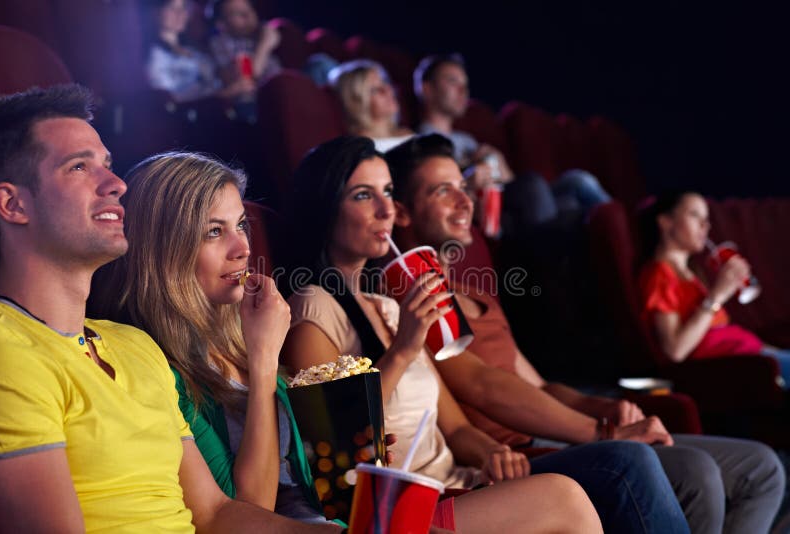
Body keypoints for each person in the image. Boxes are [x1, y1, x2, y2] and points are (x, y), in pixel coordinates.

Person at [385, 134, 787, 534]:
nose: (464, 200)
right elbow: (483, 385)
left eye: (461, 185)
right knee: (692, 470)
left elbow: (539, 386)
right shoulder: (408, 302)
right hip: (516, 454)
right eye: (442, 190)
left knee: (762, 468)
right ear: (401, 212)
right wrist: (604, 433)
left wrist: (602, 408)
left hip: (553, 432)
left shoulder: (476, 293)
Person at [277, 135, 674, 534]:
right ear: (326, 209)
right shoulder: (310, 309)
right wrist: (402, 351)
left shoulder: (389, 308)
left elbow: (456, 428)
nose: (386, 210)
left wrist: (493, 453)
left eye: (388, 192)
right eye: (364, 196)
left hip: (455, 482)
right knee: (566, 495)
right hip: (397, 508)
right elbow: (340, 450)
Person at [0, 84, 341, 533]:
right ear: (13, 204)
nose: (116, 185)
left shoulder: (133, 345)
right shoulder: (7, 353)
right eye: (79, 166)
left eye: (108, 166)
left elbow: (216, 515)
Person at [89, 152, 339, 524]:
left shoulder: (238, 334)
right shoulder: (156, 367)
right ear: (165, 251)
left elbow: (295, 475)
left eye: (240, 225)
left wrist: (354, 458)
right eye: (214, 232)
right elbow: (249, 509)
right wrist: (264, 359)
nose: (243, 249)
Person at [414, 53, 610, 226]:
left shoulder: (466, 139)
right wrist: (470, 173)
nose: (463, 91)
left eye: (465, 84)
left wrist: (497, 160)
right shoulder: (422, 140)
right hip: (499, 210)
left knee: (577, 182)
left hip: (517, 199)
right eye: (452, 81)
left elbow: (510, 181)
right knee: (537, 188)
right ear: (427, 89)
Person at [637, 190, 790, 387]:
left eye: (706, 218)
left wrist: (775, 352)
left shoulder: (690, 273)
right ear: (666, 222)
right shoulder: (660, 275)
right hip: (744, 368)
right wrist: (718, 295)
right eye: (694, 215)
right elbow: (675, 350)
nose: (705, 225)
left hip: (759, 356)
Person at [144, 0, 256, 105]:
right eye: (172, 8)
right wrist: (225, 93)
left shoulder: (194, 50)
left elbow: (214, 79)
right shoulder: (156, 58)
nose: (180, 13)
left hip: (224, 105)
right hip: (197, 117)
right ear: (156, 12)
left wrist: (231, 74)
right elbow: (170, 100)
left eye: (183, 8)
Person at [328, 59, 413, 152]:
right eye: (374, 90)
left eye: (384, 82)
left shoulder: (406, 133)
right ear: (357, 102)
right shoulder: (362, 148)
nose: (387, 90)